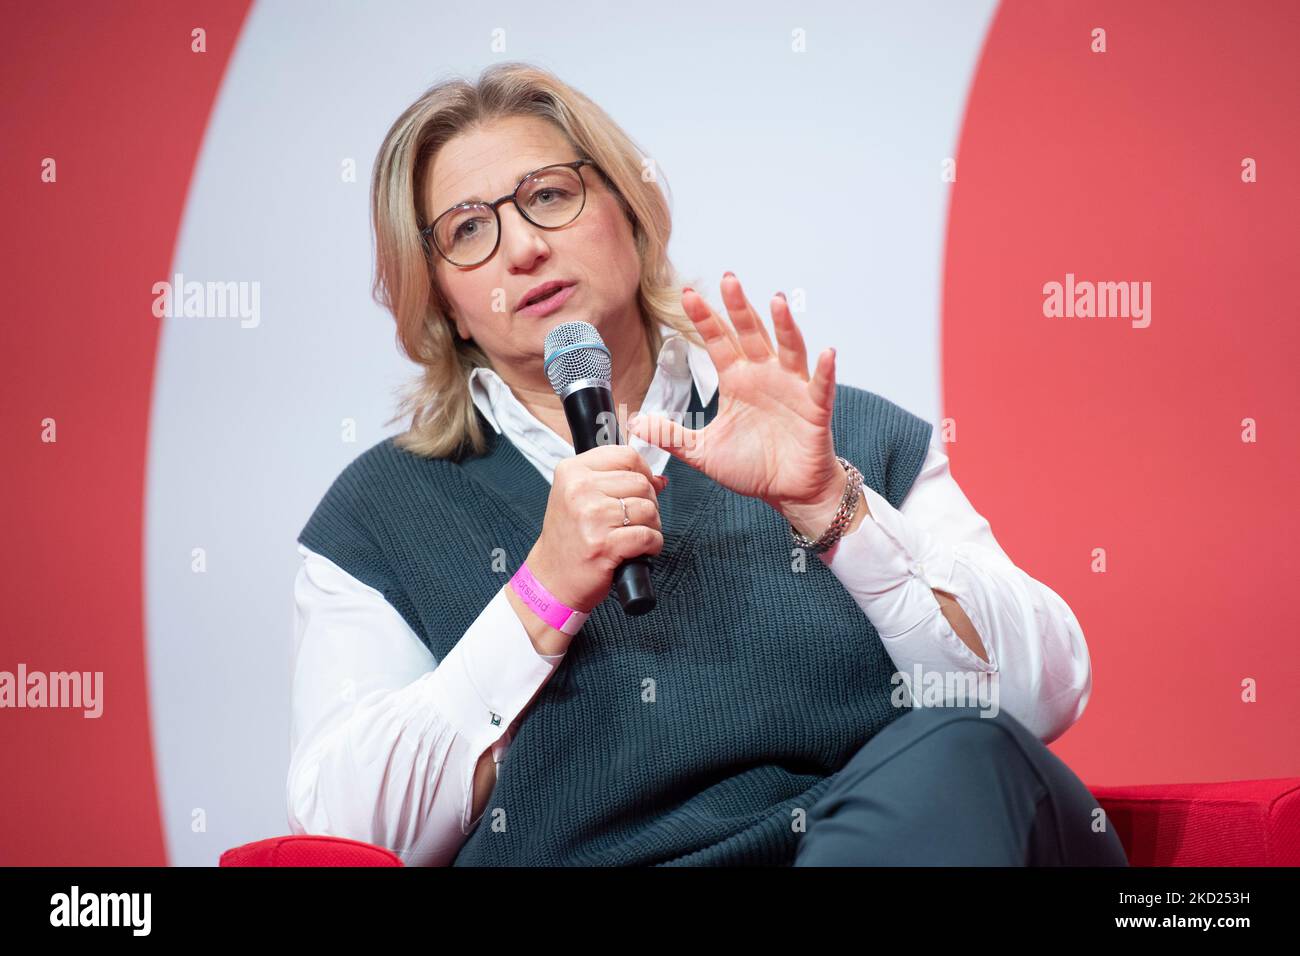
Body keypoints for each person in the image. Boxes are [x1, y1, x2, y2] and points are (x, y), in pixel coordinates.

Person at [286, 62, 1128, 867]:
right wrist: (540, 593)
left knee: (958, 751)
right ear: (442, 300)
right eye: (469, 229)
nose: (523, 249)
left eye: (548, 195)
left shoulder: (842, 438)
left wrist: (833, 508)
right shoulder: (379, 516)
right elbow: (350, 835)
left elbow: (1038, 699)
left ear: (630, 210)